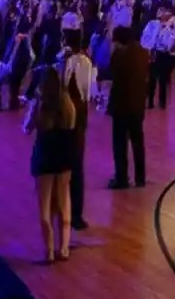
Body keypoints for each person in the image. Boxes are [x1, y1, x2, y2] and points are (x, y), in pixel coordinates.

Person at [23, 69, 76, 263]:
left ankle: (50, 250)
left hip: (44, 156)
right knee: (64, 201)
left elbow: (26, 129)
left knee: (44, 207)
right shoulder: (67, 103)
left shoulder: (39, 104)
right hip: (64, 156)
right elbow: (73, 126)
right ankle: (64, 247)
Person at [107, 27, 149, 190]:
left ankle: (121, 178)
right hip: (137, 105)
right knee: (138, 142)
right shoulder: (143, 53)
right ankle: (140, 177)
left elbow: (111, 72)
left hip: (121, 106)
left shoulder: (119, 55)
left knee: (120, 143)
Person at [59, 35, 94, 230]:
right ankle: (75, 214)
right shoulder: (84, 62)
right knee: (76, 167)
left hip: (67, 116)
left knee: (66, 167)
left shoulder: (65, 62)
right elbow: (87, 91)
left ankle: (65, 211)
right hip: (78, 115)